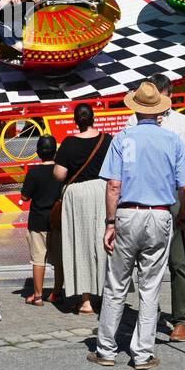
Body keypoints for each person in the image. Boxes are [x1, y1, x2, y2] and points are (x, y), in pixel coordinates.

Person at [89, 81, 185, 370]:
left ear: (135, 109)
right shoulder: (172, 141)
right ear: (159, 111)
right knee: (150, 287)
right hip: (160, 214)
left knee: (116, 284)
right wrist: (182, 216)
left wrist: (110, 223)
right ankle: (143, 353)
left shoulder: (122, 138)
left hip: (128, 213)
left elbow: (113, 185)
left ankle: (106, 349)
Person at [126, 75, 185, 342]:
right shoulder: (134, 121)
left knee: (179, 262)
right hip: (145, 195)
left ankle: (180, 320)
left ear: (168, 96)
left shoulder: (184, 124)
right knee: (146, 264)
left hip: (176, 197)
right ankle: (148, 315)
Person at [54, 104, 113, 316]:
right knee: (103, 242)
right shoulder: (107, 140)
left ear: (75, 120)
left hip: (77, 195)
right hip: (102, 190)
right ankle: (108, 296)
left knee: (80, 244)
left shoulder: (69, 143)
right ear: (94, 118)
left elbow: (60, 175)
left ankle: (86, 301)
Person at [20, 134, 61, 306]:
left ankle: (37, 296)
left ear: (38, 152)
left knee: (38, 259)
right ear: (55, 152)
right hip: (58, 221)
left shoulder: (34, 173)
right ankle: (56, 293)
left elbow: (25, 196)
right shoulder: (61, 171)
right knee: (59, 260)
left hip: (38, 221)